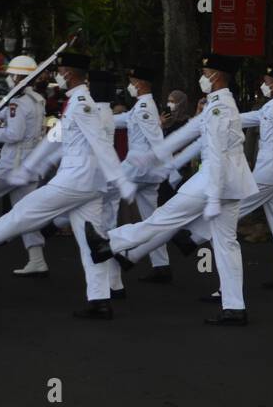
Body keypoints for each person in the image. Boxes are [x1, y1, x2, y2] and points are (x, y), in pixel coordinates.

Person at [0, 53, 128, 320]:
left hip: (77, 180)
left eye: (59, 71)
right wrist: (35, 164)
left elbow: (99, 144)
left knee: (25, 212)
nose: (55, 77)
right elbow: (58, 139)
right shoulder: (78, 103)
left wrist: (118, 178)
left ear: (67, 73)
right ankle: (100, 300)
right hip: (87, 182)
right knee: (91, 242)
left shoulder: (81, 103)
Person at [83, 54, 258, 326]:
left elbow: (218, 152)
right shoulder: (219, 105)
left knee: (163, 219)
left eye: (205, 71)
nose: (202, 76)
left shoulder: (219, 108)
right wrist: (158, 158)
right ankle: (235, 307)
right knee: (226, 245)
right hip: (231, 181)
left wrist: (212, 196)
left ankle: (110, 244)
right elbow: (187, 134)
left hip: (214, 180)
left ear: (216, 76)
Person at [189, 64, 273, 292]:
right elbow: (246, 118)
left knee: (230, 211)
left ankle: (194, 237)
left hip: (270, 172)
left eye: (266, 79)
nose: (263, 83)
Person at [0, 55, 50, 277]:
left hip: (12, 165)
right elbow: (1, 113)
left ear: (17, 76)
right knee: (26, 213)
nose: (8, 78)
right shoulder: (35, 99)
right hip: (30, 163)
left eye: (11, 74)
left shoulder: (17, 101)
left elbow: (13, 133)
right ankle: (37, 259)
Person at [118, 65, 177, 284]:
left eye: (132, 82)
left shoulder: (144, 107)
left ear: (140, 84)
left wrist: (172, 169)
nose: (130, 86)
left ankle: (109, 246)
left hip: (138, 166)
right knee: (152, 218)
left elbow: (157, 140)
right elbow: (123, 120)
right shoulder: (142, 106)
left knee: (100, 191)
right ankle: (161, 266)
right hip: (147, 170)